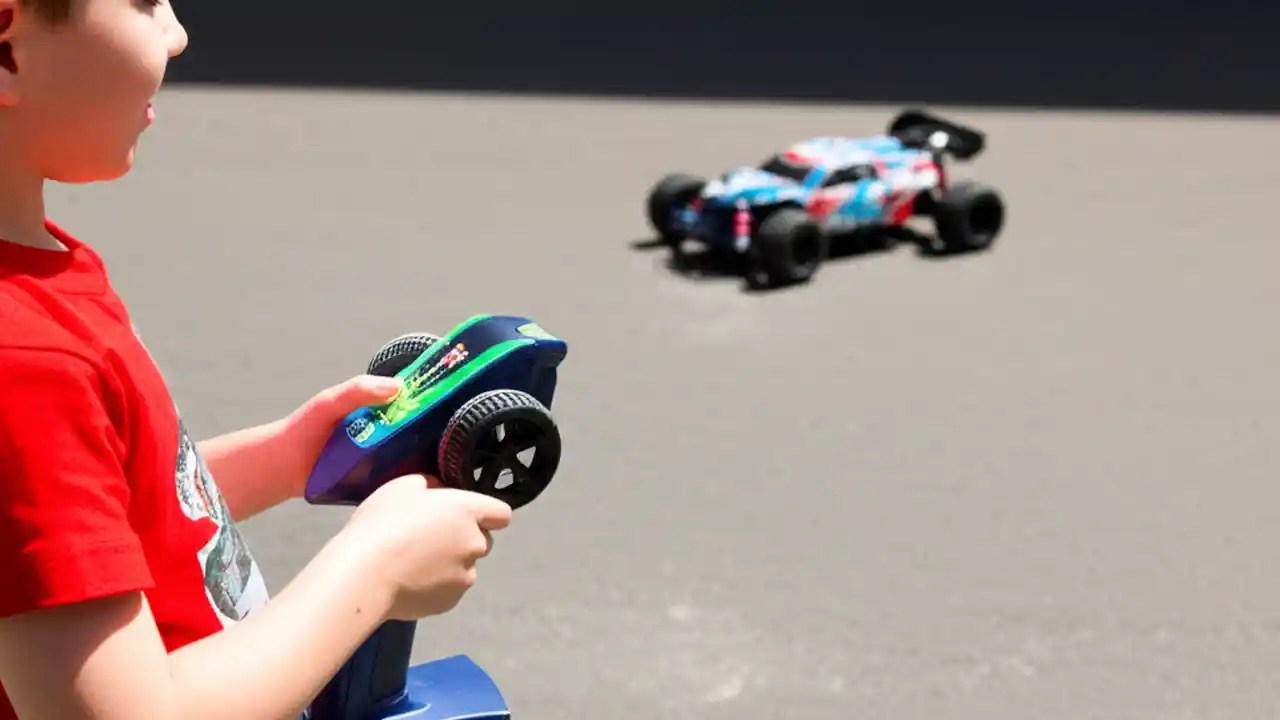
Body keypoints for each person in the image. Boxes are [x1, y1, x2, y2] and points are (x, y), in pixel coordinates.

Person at [0, 0, 515, 718]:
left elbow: (93, 514)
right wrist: (375, 568)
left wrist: (286, 456)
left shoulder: (37, 274)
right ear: (6, 47)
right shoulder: (26, 362)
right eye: (145, 2)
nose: (177, 35)